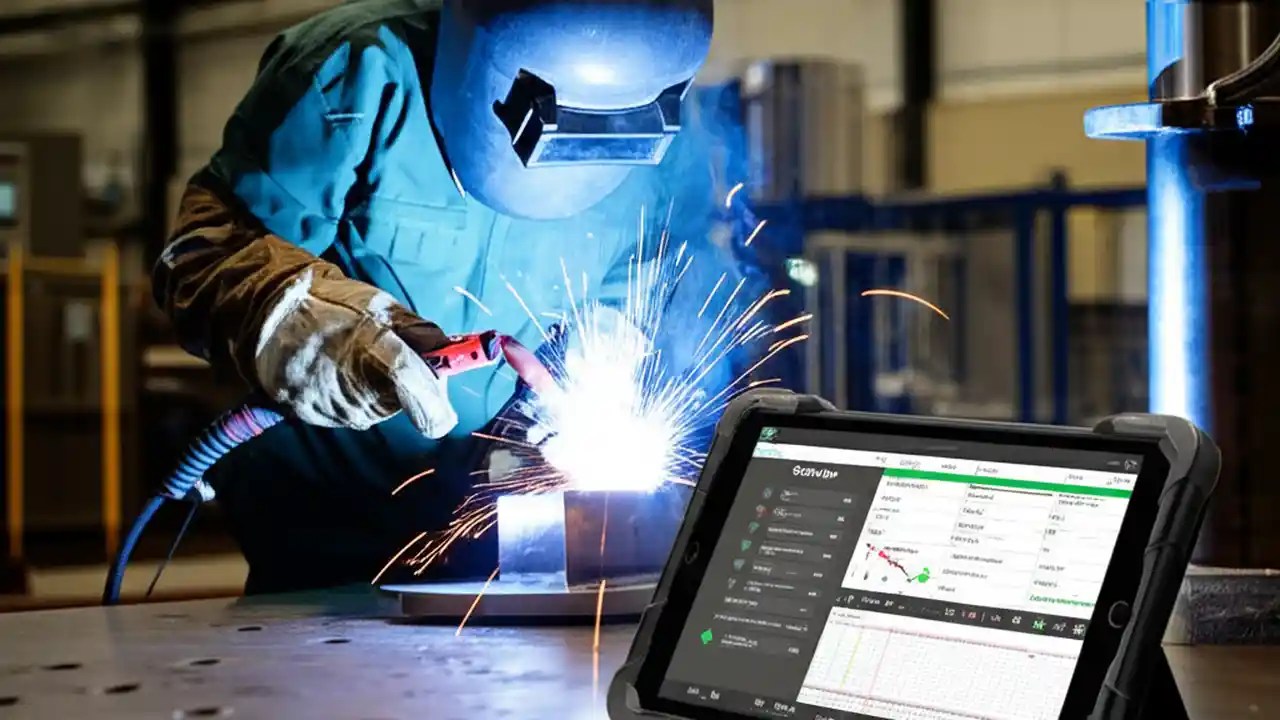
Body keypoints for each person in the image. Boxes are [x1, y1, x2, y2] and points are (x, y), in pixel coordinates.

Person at [153, 0, 715, 594]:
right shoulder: (361, 71)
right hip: (322, 530)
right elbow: (201, 256)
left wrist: (600, 351)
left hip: (497, 528)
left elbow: (647, 268)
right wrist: (300, 325)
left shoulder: (662, 121)